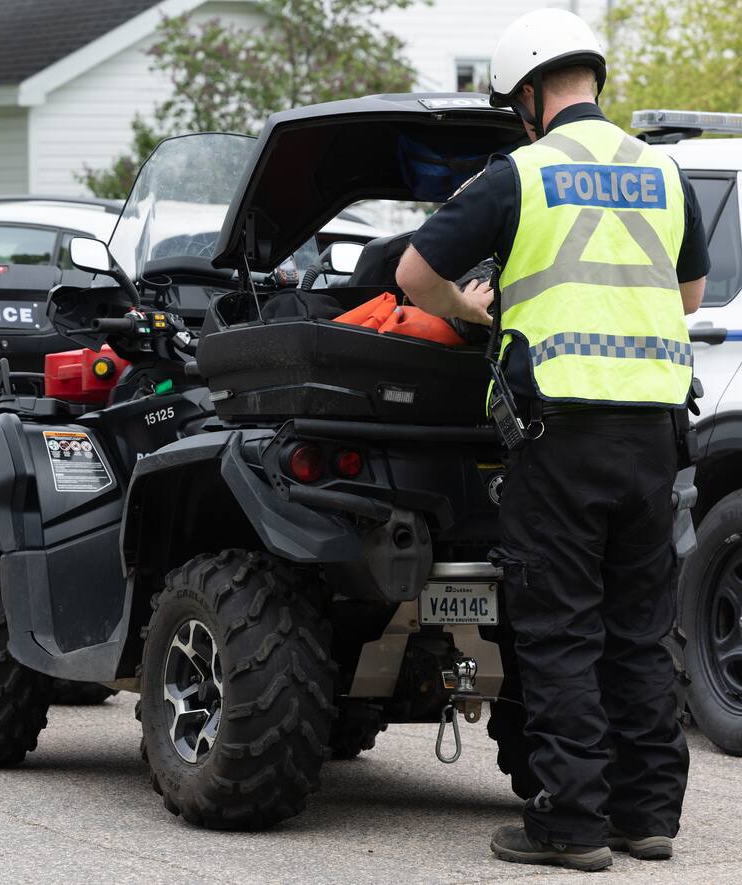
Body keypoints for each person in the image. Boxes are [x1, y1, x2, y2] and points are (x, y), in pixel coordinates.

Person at [395, 8, 709, 873]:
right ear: (591, 81)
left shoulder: (517, 176)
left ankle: (570, 824)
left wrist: (474, 308)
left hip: (559, 436)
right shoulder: (663, 174)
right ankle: (647, 819)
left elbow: (411, 275)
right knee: (639, 631)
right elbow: (686, 299)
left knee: (564, 630)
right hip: (654, 436)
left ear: (530, 95)